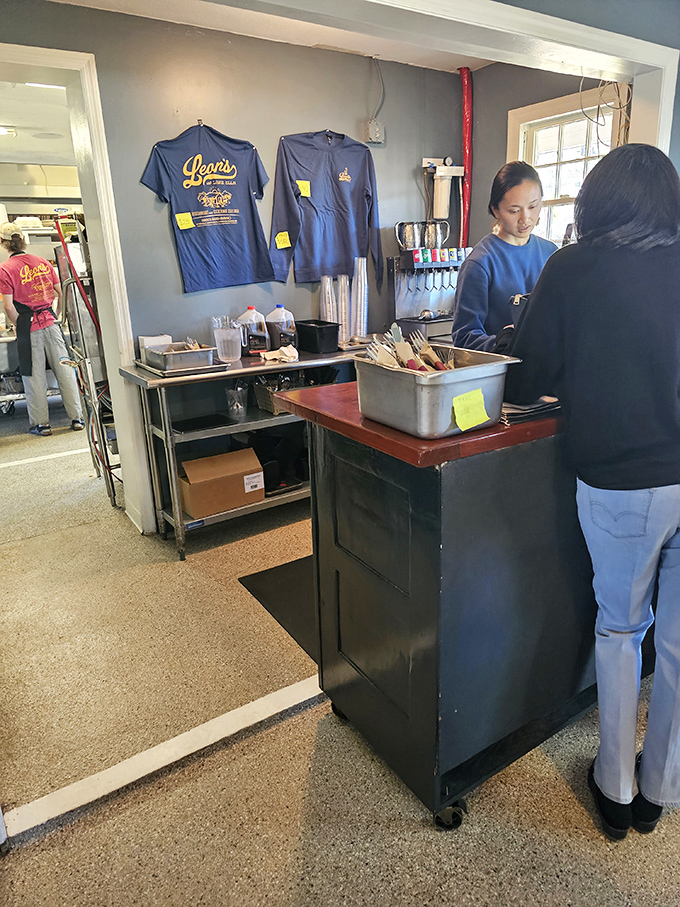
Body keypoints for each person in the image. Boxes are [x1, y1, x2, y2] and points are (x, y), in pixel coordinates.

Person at [504, 144, 680, 841]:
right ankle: (662, 784)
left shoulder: (573, 266)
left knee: (620, 629)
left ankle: (615, 785)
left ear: (595, 202)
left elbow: (522, 379)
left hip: (624, 481)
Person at [451, 161, 557, 350]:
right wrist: (503, 341)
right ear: (495, 210)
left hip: (546, 372)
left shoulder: (551, 254)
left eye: (533, 207)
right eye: (514, 211)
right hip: (503, 374)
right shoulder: (481, 263)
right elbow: (464, 338)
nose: (525, 219)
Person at [0, 222, 84, 436]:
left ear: (3, 243)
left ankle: (42, 424)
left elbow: (8, 306)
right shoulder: (42, 262)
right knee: (65, 370)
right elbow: (61, 290)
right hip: (51, 321)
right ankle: (77, 418)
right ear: (24, 241)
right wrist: (59, 315)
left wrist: (19, 323)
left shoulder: (5, 269)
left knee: (33, 374)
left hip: (28, 325)